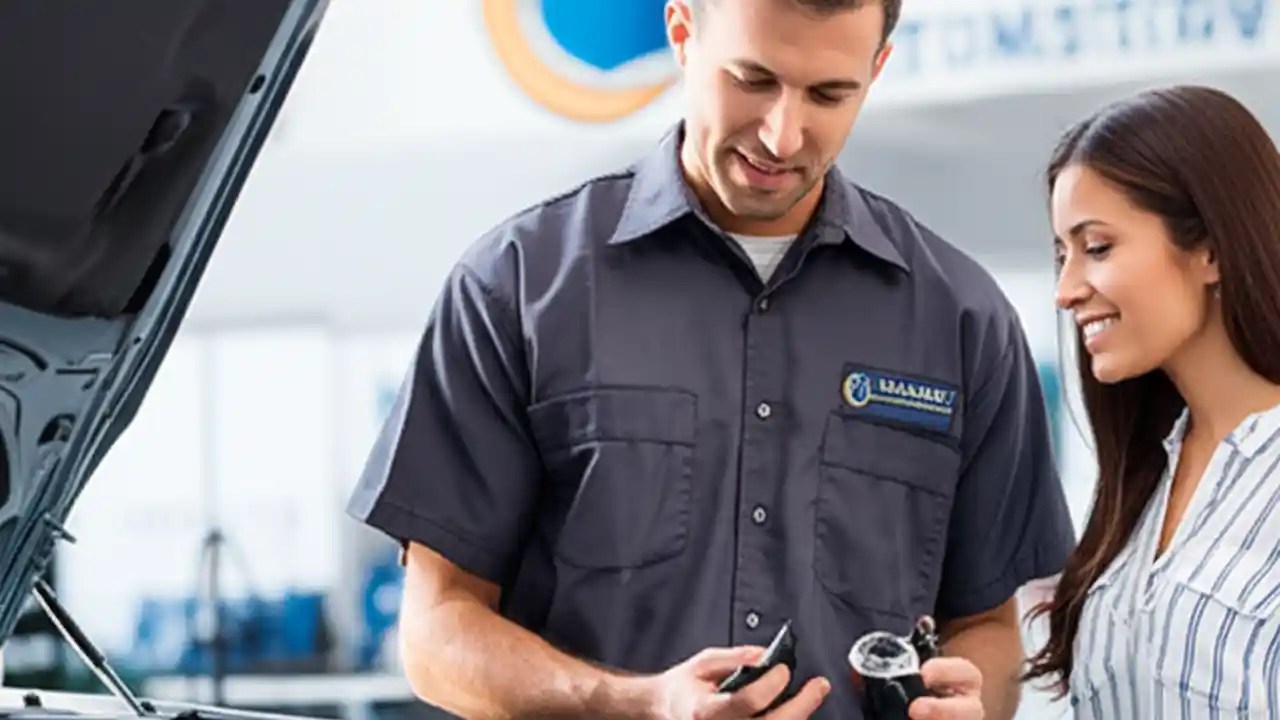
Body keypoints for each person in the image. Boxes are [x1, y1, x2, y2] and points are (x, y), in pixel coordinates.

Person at [347, 0, 1075, 718]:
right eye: (752, 79)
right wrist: (638, 705)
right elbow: (437, 633)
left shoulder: (963, 320)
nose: (782, 134)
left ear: (876, 68)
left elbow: (986, 631)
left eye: (828, 94)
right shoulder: (516, 288)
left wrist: (970, 700)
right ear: (681, 32)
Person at [1024, 85, 1280, 717]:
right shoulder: (1140, 486)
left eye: (1098, 248)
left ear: (1211, 249)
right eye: (1062, 254)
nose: (1065, 289)